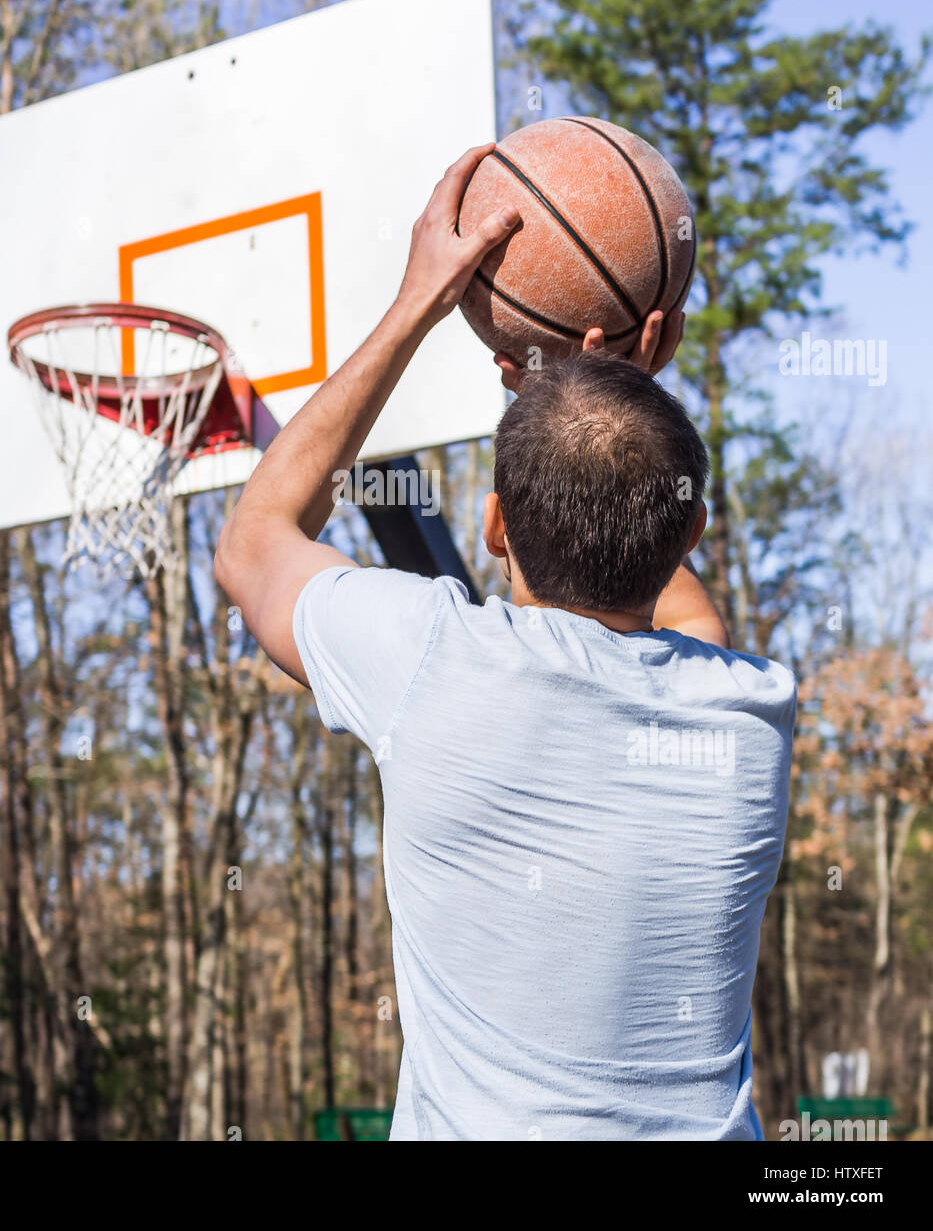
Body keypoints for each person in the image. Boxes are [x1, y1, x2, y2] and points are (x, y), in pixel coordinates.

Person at [214, 144, 796, 1140]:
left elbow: (253, 541)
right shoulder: (747, 718)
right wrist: (609, 395)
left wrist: (417, 303)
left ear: (493, 528)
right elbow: (686, 614)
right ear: (687, 535)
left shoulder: (432, 666)